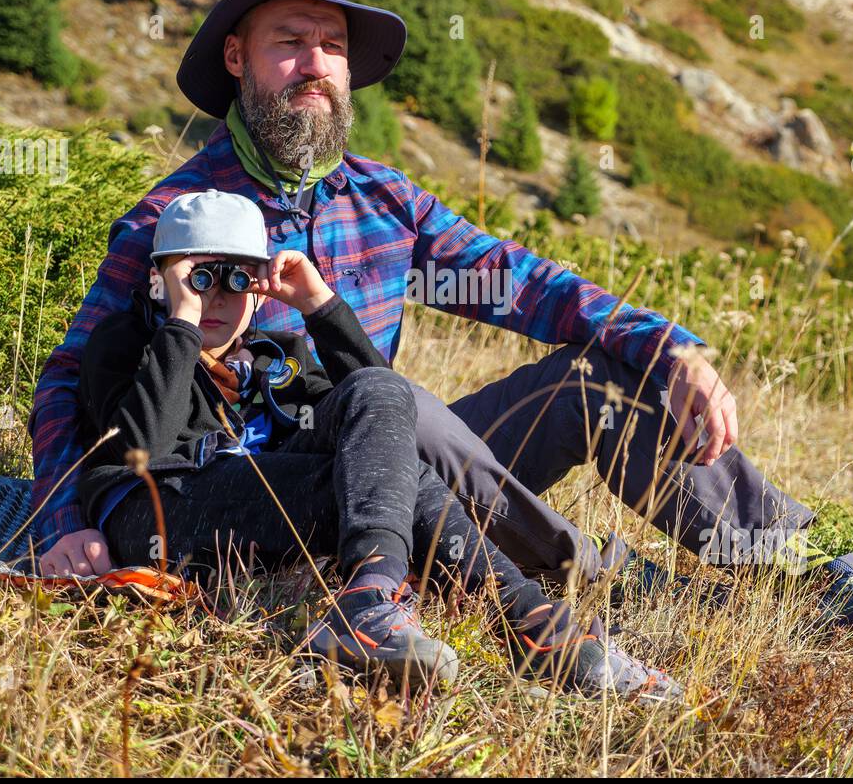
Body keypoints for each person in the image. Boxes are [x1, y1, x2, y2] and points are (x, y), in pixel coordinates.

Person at [35, 0, 853, 659]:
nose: (316, 65)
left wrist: (674, 347)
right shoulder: (180, 217)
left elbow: (528, 287)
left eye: (331, 45)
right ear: (238, 59)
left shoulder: (386, 199)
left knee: (594, 379)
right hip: (295, 488)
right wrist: (59, 520)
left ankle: (798, 572)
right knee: (391, 409)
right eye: (290, 43)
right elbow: (75, 373)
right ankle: (601, 575)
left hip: (412, 446)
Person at [77, 188, 682, 700]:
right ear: (160, 279)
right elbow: (141, 452)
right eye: (195, 277)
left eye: (232, 279)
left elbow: (384, 406)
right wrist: (179, 326)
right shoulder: (124, 344)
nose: (213, 298)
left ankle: (517, 624)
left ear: (259, 289)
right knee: (385, 485)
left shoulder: (273, 356)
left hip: (265, 506)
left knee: (391, 470)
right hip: (156, 507)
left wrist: (320, 307)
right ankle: (508, 626)